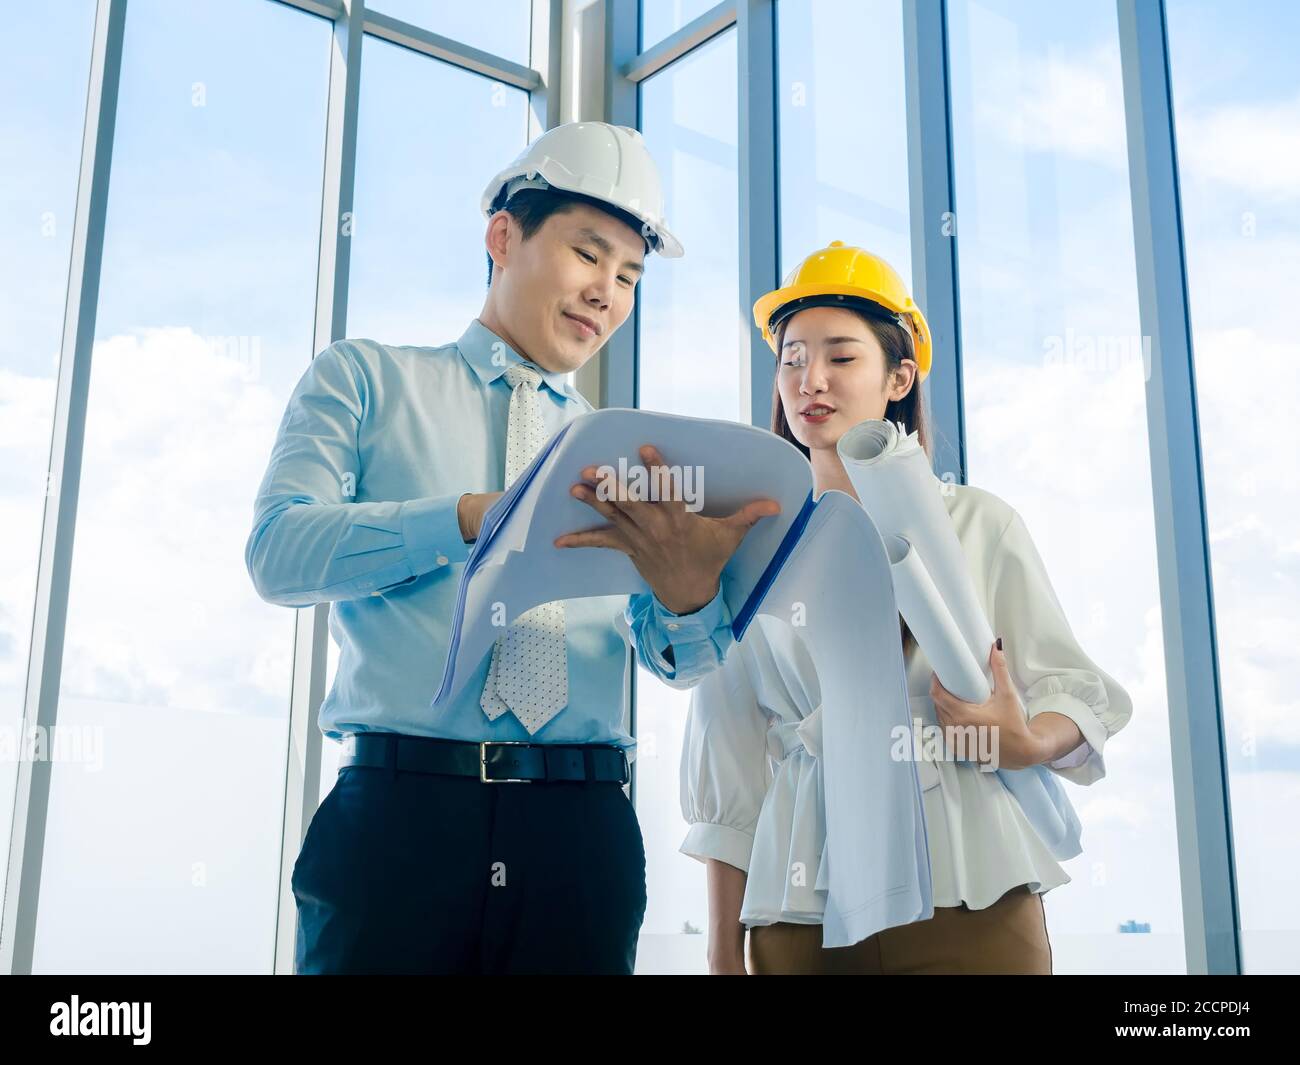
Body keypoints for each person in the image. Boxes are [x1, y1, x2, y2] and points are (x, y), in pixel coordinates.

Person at [244, 121, 779, 975]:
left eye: (630, 276)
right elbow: (278, 553)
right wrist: (472, 517)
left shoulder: (625, 455)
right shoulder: (366, 377)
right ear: (504, 237)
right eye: (588, 253)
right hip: (400, 821)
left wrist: (688, 598)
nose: (606, 291)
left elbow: (676, 661)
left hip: (580, 832)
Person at [673, 241, 1134, 974]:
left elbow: (1068, 688)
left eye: (840, 357)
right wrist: (725, 951)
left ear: (899, 376)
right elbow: (731, 768)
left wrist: (1023, 741)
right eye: (791, 358)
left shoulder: (980, 524)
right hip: (801, 906)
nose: (810, 380)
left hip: (968, 887)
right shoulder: (744, 550)